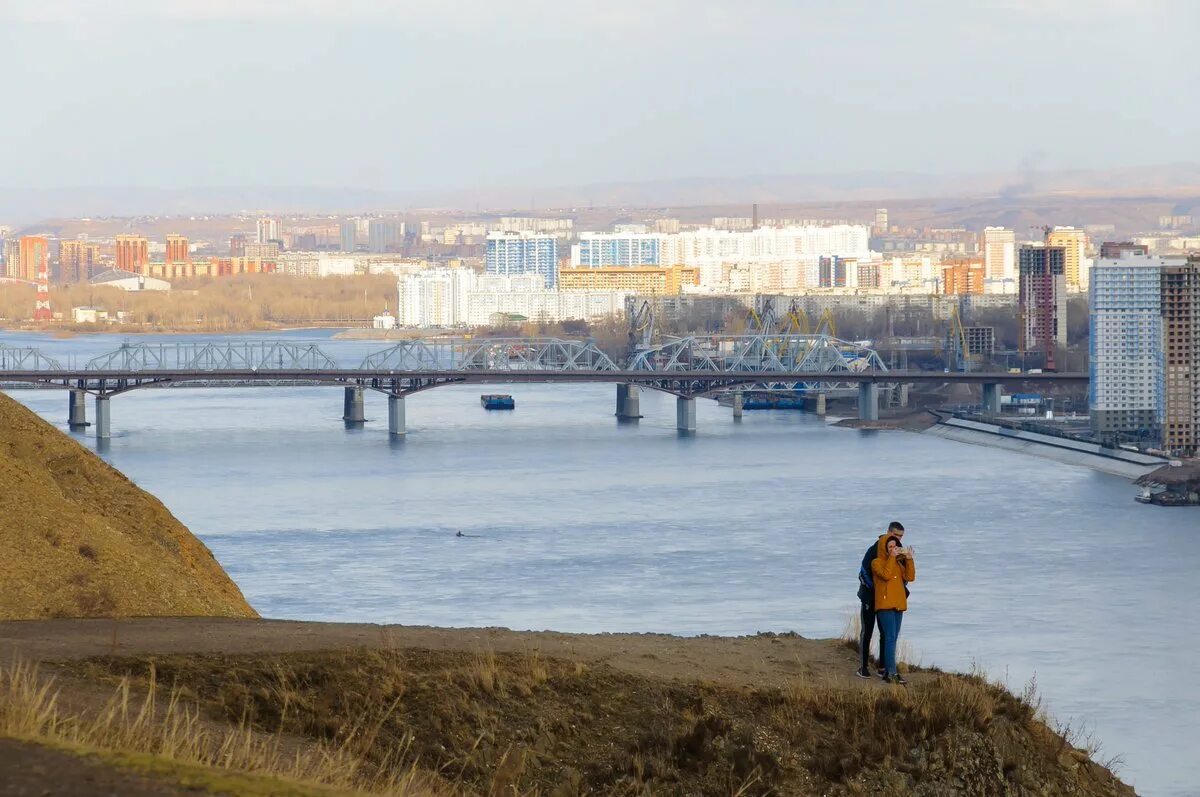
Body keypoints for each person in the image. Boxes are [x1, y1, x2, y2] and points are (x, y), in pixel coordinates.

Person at [856, 521, 905, 679]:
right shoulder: (874, 549)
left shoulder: (898, 552)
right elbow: (862, 572)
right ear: (888, 532)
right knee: (867, 630)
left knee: (887, 633)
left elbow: (902, 576)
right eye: (895, 535)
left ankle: (883, 667)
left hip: (889, 599)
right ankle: (863, 667)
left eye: (901, 536)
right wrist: (875, 590)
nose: (898, 539)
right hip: (870, 596)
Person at [871, 534, 916, 684]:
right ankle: (891, 673)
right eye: (890, 547)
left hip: (898, 606)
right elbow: (886, 574)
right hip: (884, 606)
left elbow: (910, 577)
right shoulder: (876, 562)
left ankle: (889, 672)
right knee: (890, 638)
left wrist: (909, 558)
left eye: (895, 547)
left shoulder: (898, 563)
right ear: (884, 548)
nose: (893, 550)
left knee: (893, 639)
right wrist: (891, 557)